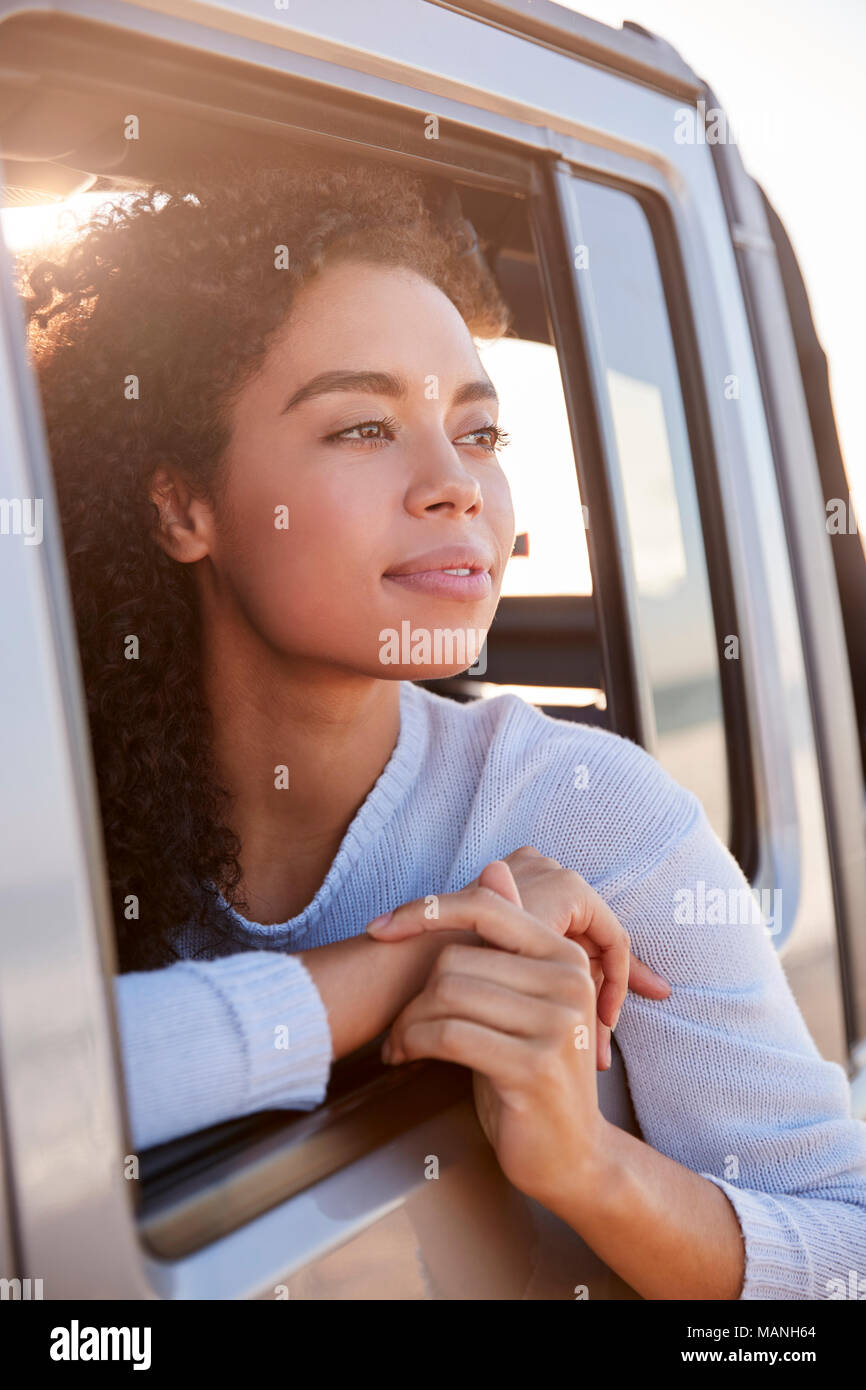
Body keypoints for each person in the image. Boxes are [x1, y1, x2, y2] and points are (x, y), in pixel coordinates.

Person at [20, 154, 866, 1300]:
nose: (454, 486)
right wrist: (383, 973)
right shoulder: (43, 806)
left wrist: (590, 1170)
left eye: (478, 433)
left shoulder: (585, 809)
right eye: (364, 429)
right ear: (183, 505)